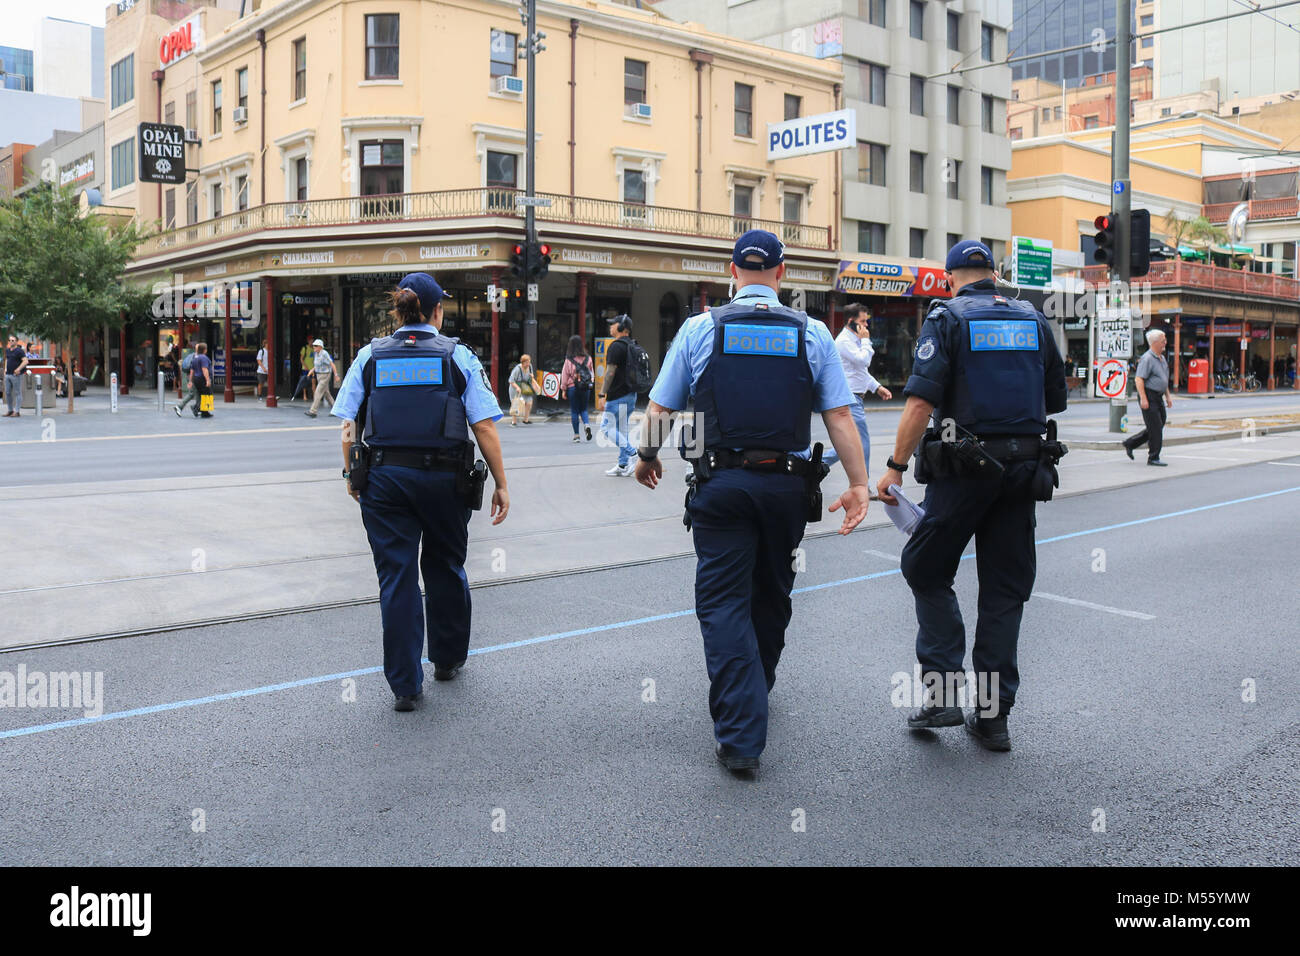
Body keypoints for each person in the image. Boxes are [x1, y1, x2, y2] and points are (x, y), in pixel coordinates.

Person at [634, 229, 872, 775]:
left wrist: (646, 455)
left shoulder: (700, 328)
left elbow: (661, 407)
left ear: (732, 271)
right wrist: (859, 483)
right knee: (772, 589)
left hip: (721, 486)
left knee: (723, 603)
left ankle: (742, 734)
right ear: (782, 273)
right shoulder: (812, 332)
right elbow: (839, 414)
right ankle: (755, 685)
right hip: (787, 488)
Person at [876, 240, 1067, 752]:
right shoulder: (1033, 318)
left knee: (925, 567)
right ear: (994, 273)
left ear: (949, 277)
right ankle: (993, 716)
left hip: (963, 471)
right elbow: (1054, 398)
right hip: (1023, 472)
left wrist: (895, 468)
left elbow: (920, 403)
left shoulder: (947, 318)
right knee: (1004, 590)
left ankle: (942, 697)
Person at [332, 272, 510, 712]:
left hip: (385, 482)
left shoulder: (369, 356)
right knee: (445, 566)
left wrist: (352, 475)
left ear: (399, 312)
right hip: (445, 482)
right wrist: (501, 483)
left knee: (397, 578)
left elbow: (348, 426)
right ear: (437, 312)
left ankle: (405, 687)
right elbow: (484, 426)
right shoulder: (457, 356)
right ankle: (446, 661)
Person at [824, 303, 892, 477]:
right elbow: (863, 361)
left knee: (850, 442)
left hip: (855, 397)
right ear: (851, 321)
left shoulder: (853, 339)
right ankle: (864, 483)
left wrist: (877, 387)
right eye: (863, 321)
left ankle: (817, 464)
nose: (866, 325)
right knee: (861, 441)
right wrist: (866, 340)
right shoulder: (844, 341)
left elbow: (860, 372)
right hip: (851, 397)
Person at [1123, 329, 1172, 467]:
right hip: (1149, 395)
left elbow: (1163, 379)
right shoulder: (1147, 358)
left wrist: (1168, 396)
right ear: (1155, 343)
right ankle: (1153, 457)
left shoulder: (1162, 358)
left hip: (1158, 396)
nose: (1165, 343)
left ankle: (1131, 443)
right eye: (1163, 341)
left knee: (1158, 424)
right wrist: (1144, 398)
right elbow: (1139, 379)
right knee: (1155, 427)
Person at [600, 315, 639, 476]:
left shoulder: (616, 346)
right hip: (631, 395)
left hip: (617, 395)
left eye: (613, 324)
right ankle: (623, 465)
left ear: (622, 328)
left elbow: (610, 372)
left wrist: (602, 393)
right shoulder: (633, 345)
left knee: (606, 428)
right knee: (622, 430)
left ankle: (633, 453)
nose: (611, 327)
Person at [560, 335, 594, 442]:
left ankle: (576, 435)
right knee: (584, 409)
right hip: (585, 387)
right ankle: (587, 424)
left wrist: (563, 389)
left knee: (574, 411)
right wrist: (590, 384)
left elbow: (565, 375)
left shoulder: (568, 360)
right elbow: (591, 374)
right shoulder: (588, 358)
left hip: (572, 387)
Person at [304, 339, 338, 418]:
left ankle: (313, 411)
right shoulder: (316, 354)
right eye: (313, 346)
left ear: (320, 347)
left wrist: (336, 375)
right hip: (319, 375)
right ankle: (336, 409)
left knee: (318, 392)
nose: (314, 347)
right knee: (326, 393)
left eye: (316, 346)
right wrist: (312, 370)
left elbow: (332, 364)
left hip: (325, 375)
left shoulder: (324, 354)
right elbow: (317, 365)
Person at [507, 354, 539, 426]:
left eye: (529, 362)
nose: (528, 364)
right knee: (515, 403)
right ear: (522, 362)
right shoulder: (517, 369)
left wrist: (532, 378)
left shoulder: (530, 366)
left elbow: (530, 377)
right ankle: (514, 421)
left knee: (529, 402)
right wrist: (517, 388)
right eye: (526, 362)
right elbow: (511, 381)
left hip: (525, 387)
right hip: (515, 388)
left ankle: (525, 420)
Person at [188, 342, 214, 418]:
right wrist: (208, 380)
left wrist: (190, 381)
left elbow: (192, 370)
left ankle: (203, 411)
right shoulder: (204, 358)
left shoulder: (195, 358)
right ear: (204, 350)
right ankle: (200, 410)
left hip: (196, 379)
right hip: (202, 378)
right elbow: (204, 369)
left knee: (202, 395)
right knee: (207, 394)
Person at [4, 335, 27, 417]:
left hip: (16, 375)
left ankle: (17, 411)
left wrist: (18, 369)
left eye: (13, 340)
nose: (11, 342)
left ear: (16, 342)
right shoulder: (7, 350)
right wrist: (5, 369)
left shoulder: (19, 351)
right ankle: (10, 410)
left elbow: (25, 361)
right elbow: (7, 359)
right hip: (8, 374)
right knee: (7, 393)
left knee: (17, 392)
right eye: (9, 340)